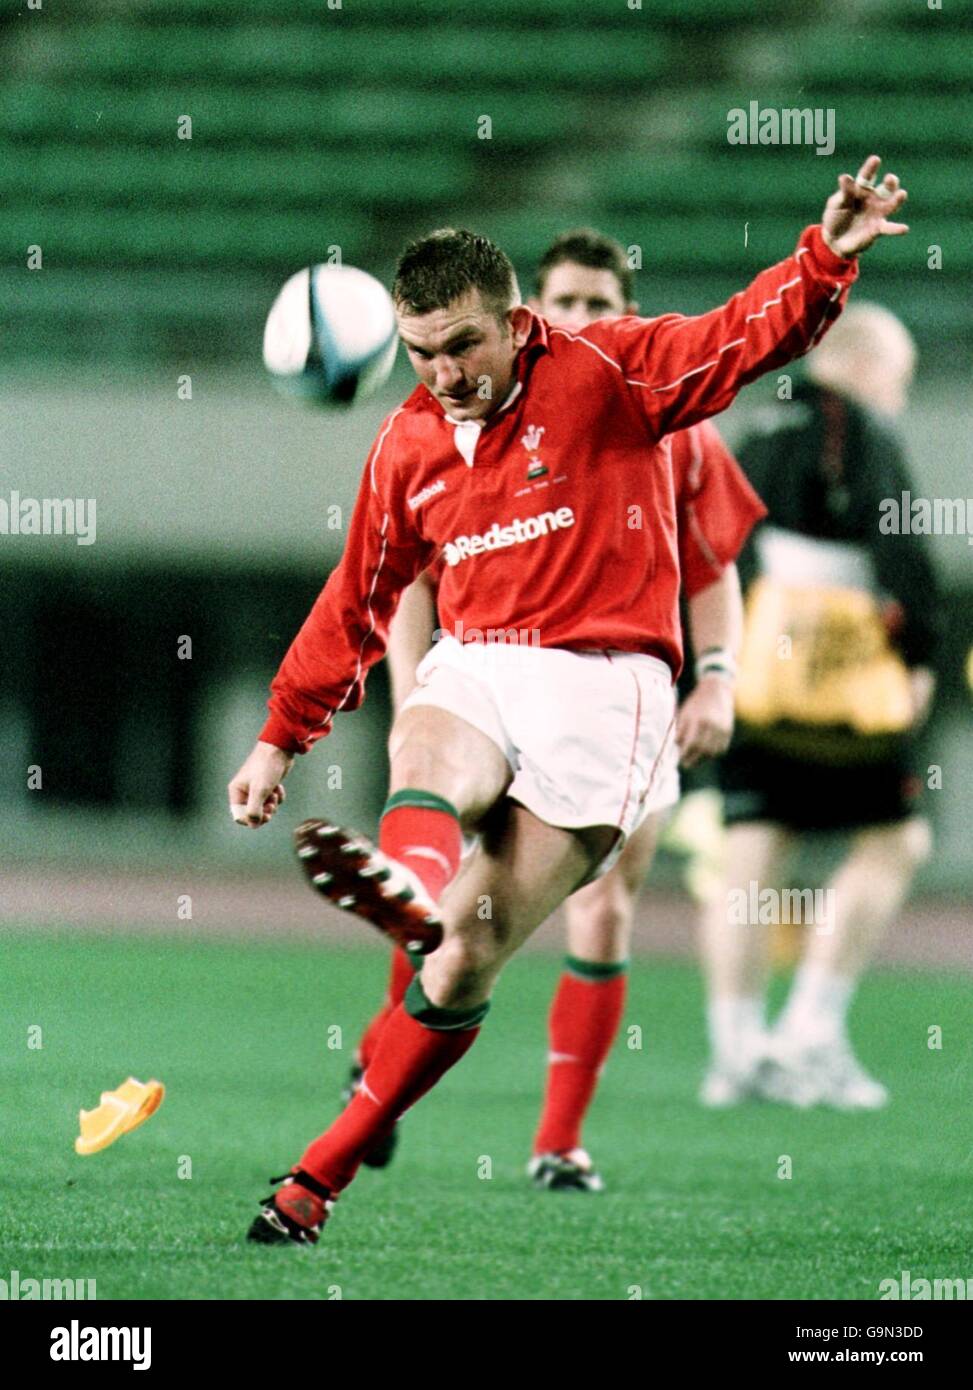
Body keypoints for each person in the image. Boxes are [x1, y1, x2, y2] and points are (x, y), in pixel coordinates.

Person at [229, 157, 908, 1245]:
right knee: (430, 726)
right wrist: (278, 737)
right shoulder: (406, 443)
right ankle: (412, 872)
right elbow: (355, 598)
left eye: (462, 347)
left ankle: (320, 1173)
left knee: (459, 961)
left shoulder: (608, 372)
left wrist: (824, 255)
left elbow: (743, 336)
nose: (443, 372)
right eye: (419, 353)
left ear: (514, 324)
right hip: (484, 659)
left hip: (607, 692)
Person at [346, 228, 764, 1192]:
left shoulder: (672, 419)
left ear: (623, 305)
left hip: (617, 695)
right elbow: (405, 572)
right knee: (442, 894)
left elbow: (712, 569)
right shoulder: (463, 422)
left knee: (606, 907)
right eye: (563, 301)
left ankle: (557, 1140)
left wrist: (718, 675)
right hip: (492, 679)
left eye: (598, 300)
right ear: (531, 309)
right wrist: (421, 699)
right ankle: (376, 1061)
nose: (580, 317)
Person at [698, 302, 939, 1110]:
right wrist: (918, 651)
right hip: (839, 670)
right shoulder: (857, 427)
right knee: (894, 842)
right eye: (896, 380)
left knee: (750, 854)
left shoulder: (755, 423)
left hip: (748, 665)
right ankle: (808, 1027)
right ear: (866, 365)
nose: (896, 398)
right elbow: (898, 543)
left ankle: (734, 1053)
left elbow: (704, 543)